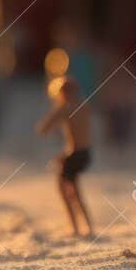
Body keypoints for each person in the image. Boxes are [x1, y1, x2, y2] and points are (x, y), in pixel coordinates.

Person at [36, 76, 95, 237]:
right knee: (73, 189)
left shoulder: (65, 107)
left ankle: (76, 227)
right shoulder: (84, 105)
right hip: (85, 153)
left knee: (66, 189)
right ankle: (87, 226)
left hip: (75, 154)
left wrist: (53, 117)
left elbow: (43, 128)